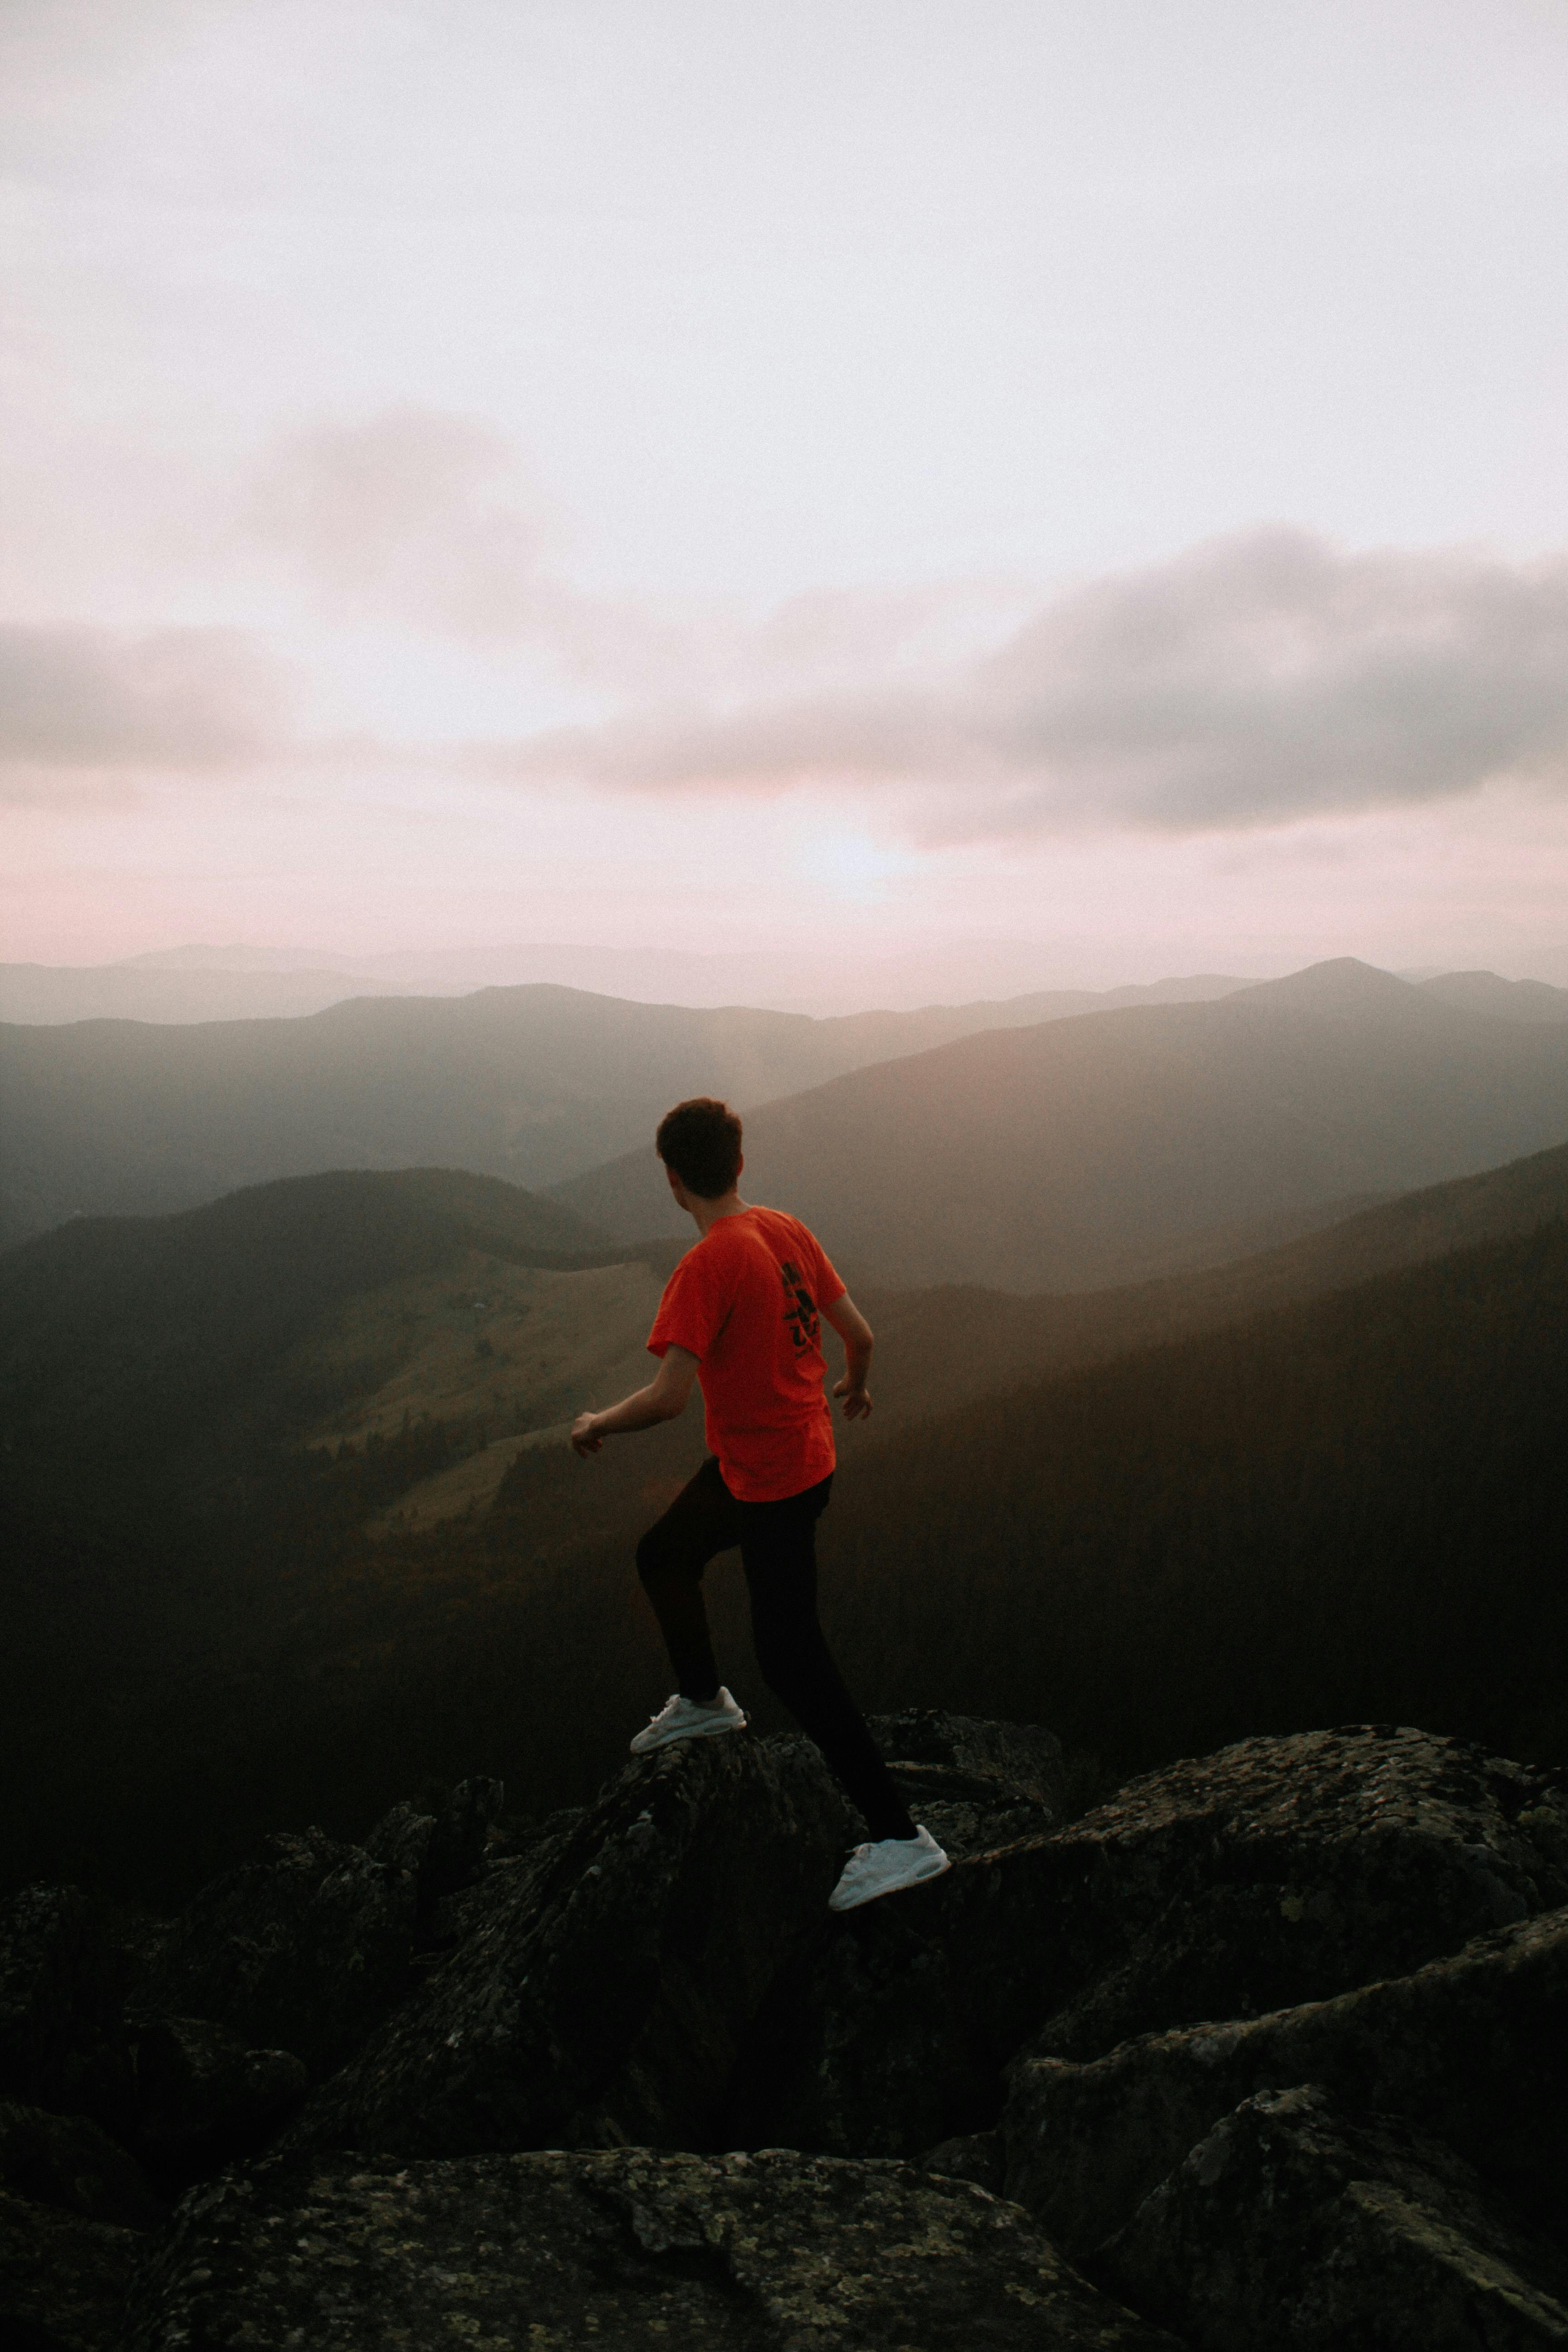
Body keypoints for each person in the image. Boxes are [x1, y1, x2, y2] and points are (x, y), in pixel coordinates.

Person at [571, 1096, 950, 1913]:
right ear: (739, 1164)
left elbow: (671, 1399)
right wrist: (855, 1385)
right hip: (781, 1462)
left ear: (673, 1181)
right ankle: (705, 1703)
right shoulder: (786, 1229)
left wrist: (597, 1422)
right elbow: (862, 1333)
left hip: (773, 1483)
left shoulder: (708, 1264)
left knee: (791, 1656)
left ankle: (900, 1839)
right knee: (664, 1555)